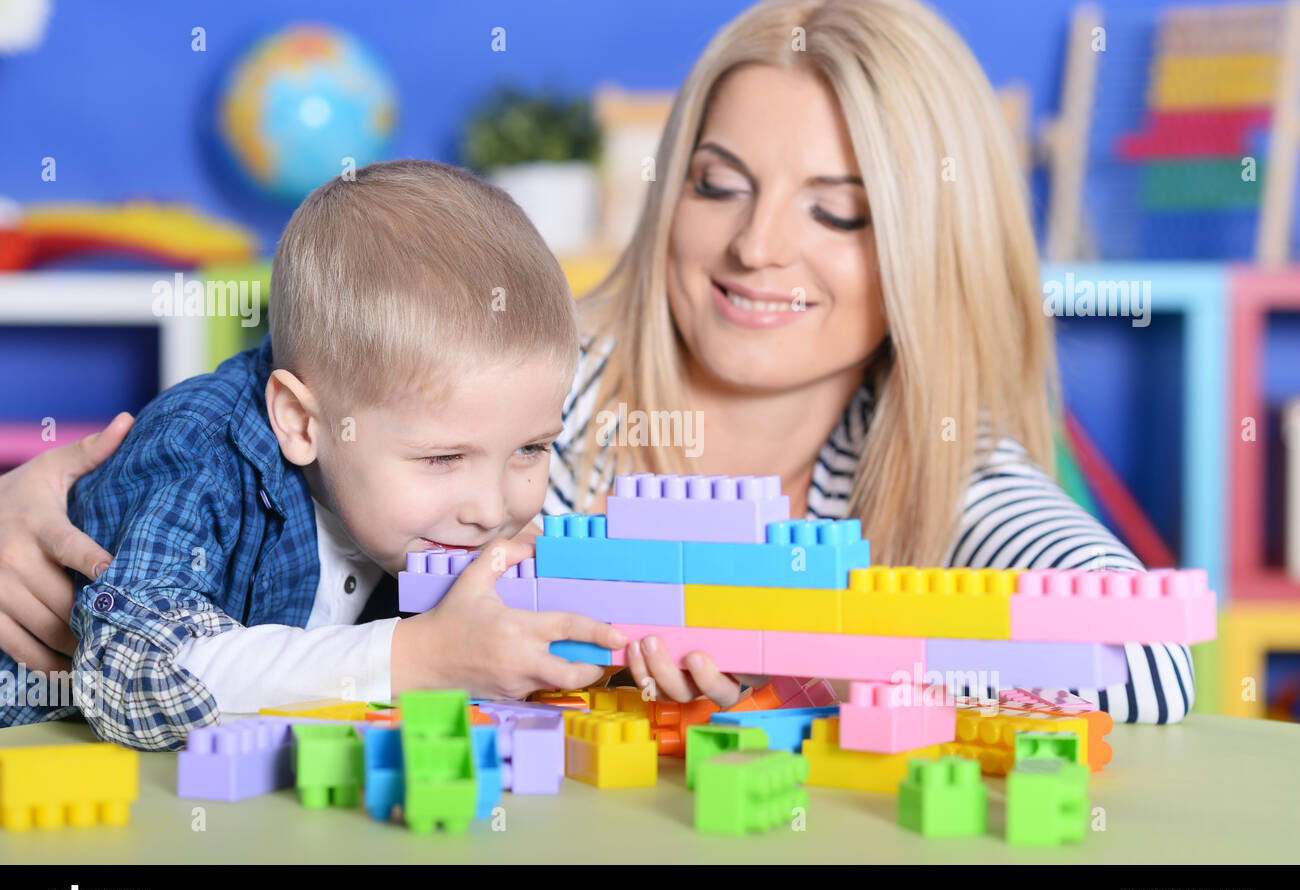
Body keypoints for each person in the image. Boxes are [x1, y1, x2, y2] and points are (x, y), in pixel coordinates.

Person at [0, 0, 1192, 725]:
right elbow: (264, 441)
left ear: (931, 252)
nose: (756, 246)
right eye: (717, 185)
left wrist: (812, 660)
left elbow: (1144, 658)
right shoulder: (529, 392)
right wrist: (27, 513)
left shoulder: (931, 460)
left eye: (838, 210)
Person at [0, 159, 623, 750]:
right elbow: (133, 672)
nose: (491, 510)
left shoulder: (429, 503)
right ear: (300, 421)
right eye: (443, 459)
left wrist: (596, 641)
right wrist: (419, 657)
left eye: (531, 448)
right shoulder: (199, 450)